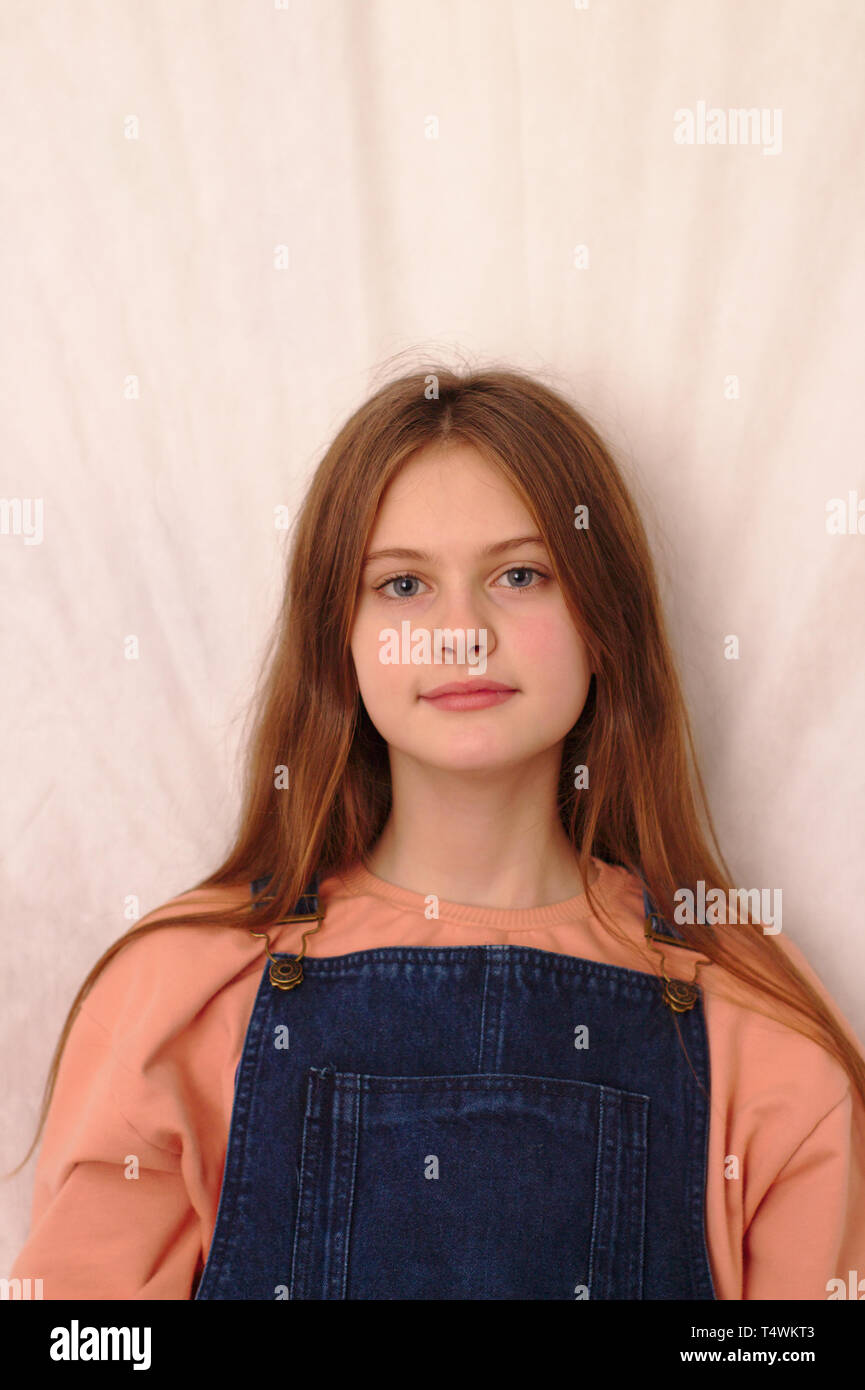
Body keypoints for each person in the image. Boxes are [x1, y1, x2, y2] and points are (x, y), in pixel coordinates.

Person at [8, 365, 865, 1300]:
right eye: (403, 584)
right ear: (337, 632)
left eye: (521, 574)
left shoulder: (754, 1018)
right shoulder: (176, 995)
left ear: (602, 619)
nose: (459, 632)